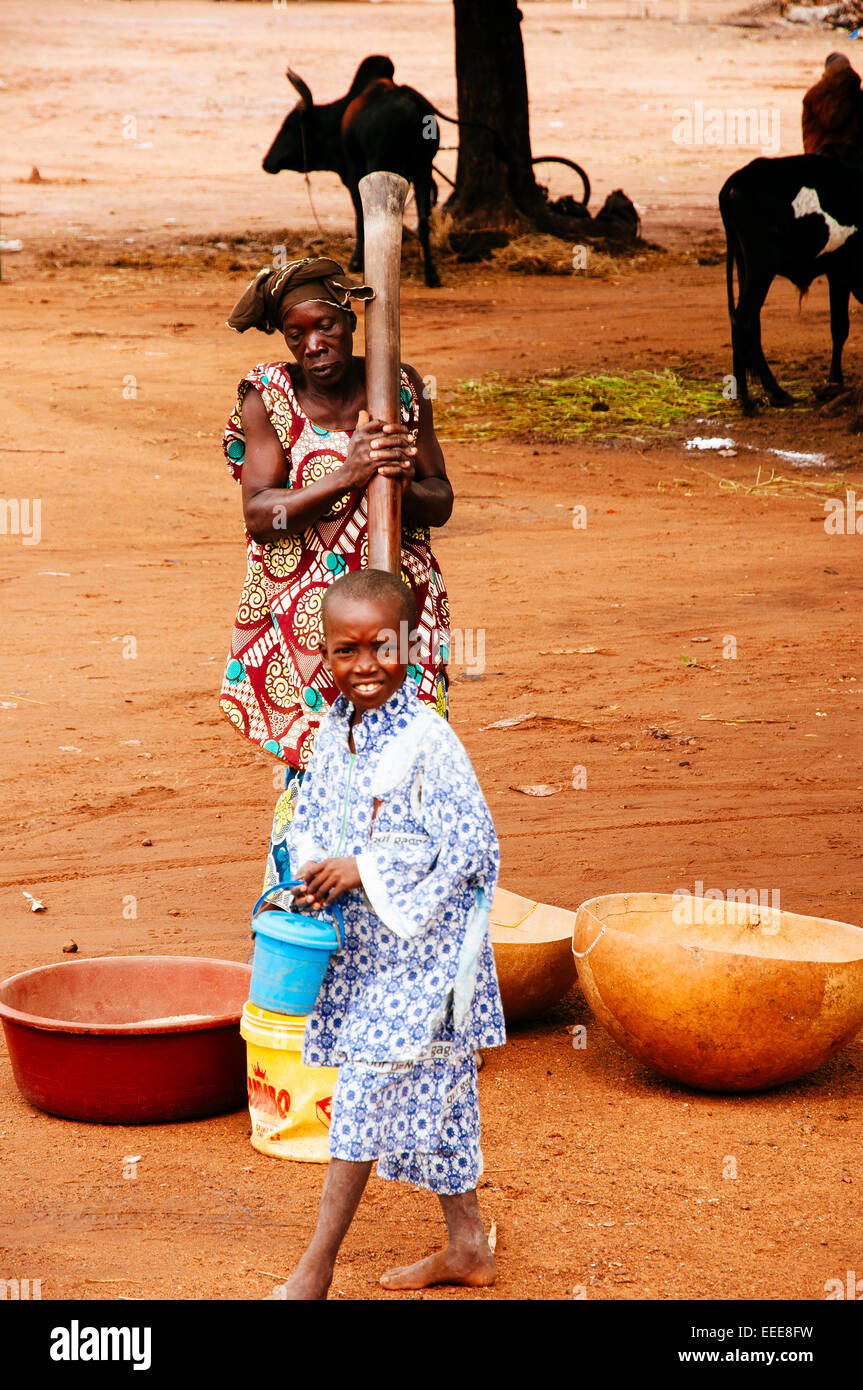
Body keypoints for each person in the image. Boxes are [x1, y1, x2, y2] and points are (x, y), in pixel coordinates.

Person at [271, 568, 506, 1299]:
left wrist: (366, 869)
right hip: (363, 954)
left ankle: (315, 1270)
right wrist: (304, 882)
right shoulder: (328, 734)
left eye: (380, 647)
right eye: (345, 651)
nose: (364, 666)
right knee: (442, 1092)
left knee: (365, 1090)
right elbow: (310, 823)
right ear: (324, 655)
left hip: (422, 956)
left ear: (410, 643)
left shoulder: (429, 739)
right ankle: (467, 1245)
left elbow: (473, 848)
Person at [219, 257, 453, 900]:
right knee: (322, 763)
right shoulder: (269, 397)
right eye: (296, 335)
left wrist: (401, 478)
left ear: (350, 322)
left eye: (324, 327)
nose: (313, 345)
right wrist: (344, 478)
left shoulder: (398, 389)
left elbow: (442, 498)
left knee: (404, 754)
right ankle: (301, 907)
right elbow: (260, 513)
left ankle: (402, 904)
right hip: (309, 626)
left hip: (400, 607)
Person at [802, 52, 863, 157]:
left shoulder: (852, 91)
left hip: (846, 149)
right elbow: (832, 120)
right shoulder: (818, 93)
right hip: (821, 150)